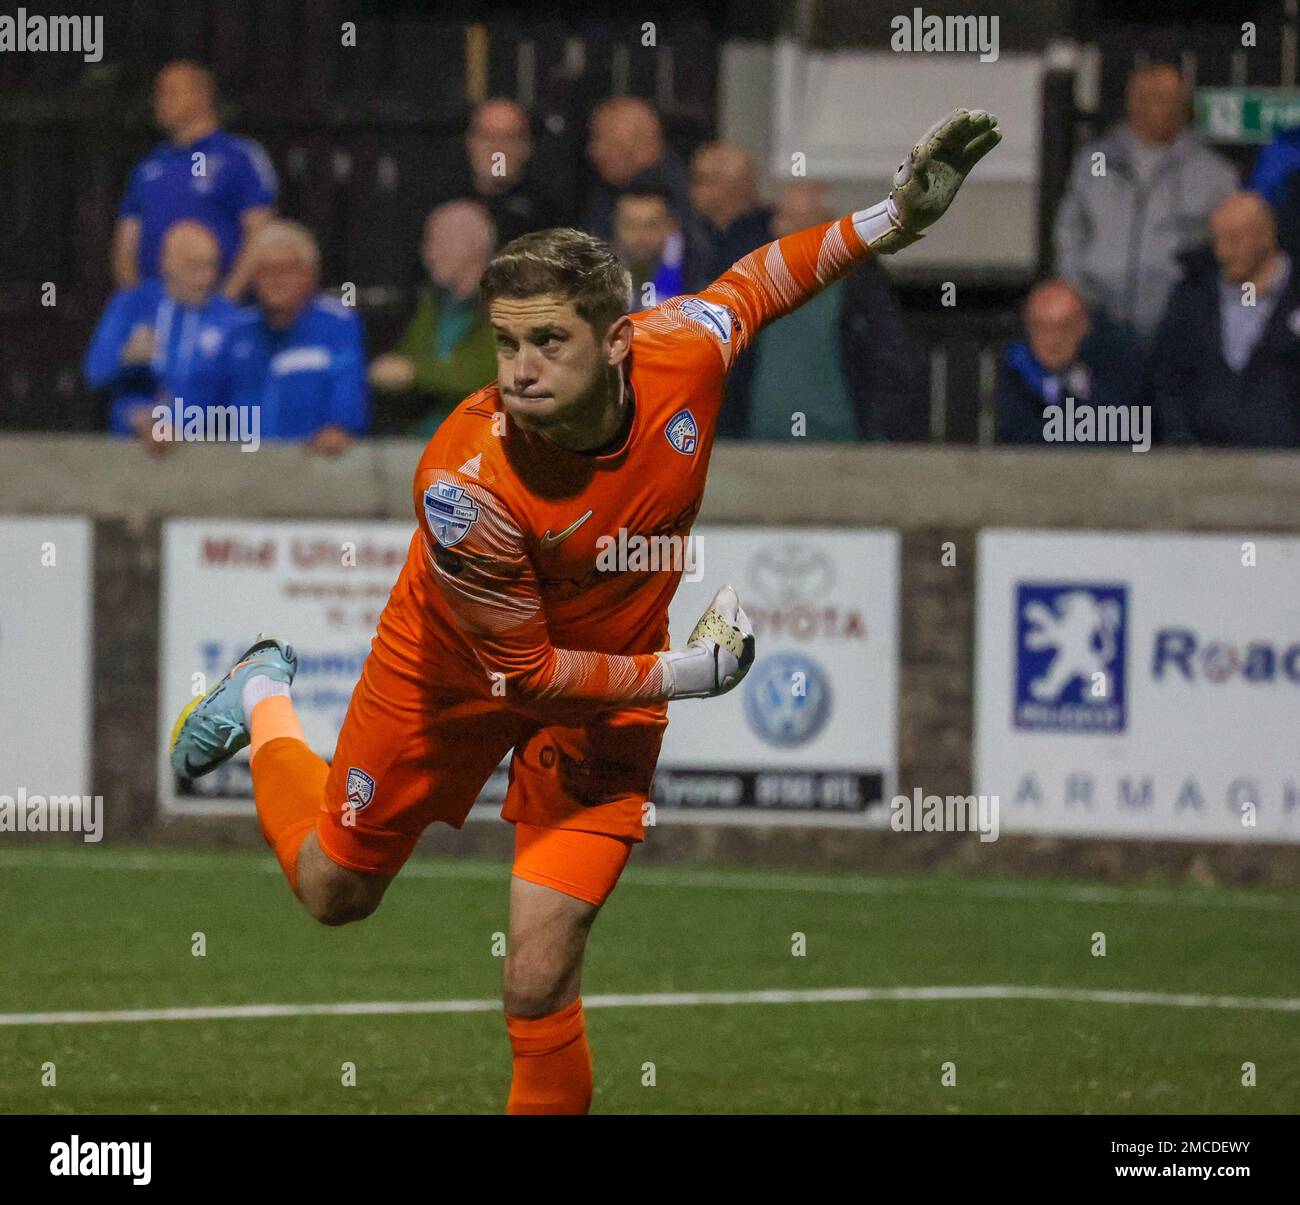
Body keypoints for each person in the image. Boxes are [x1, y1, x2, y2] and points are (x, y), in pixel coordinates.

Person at [168, 110, 1000, 1114]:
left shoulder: (680, 350)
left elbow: (762, 281)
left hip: (607, 696)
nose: (517, 369)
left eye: (547, 341)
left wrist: (890, 220)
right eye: (506, 341)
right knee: (333, 892)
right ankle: (264, 695)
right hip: (450, 673)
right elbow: (526, 675)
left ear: (615, 340)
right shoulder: (465, 482)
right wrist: (692, 674)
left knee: (536, 973)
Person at [721, 181, 928, 441]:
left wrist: (882, 439)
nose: (775, 228)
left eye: (789, 219)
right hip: (757, 444)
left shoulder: (860, 287)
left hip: (839, 446)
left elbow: (895, 365)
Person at [1053, 64, 1237, 341]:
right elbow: (1069, 231)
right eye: (1146, 97)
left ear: (1184, 106)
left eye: (1166, 99)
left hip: (1178, 330)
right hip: (1097, 322)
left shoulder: (1216, 175)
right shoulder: (1093, 162)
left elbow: (1228, 249)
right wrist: (1079, 292)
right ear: (1130, 102)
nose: (1156, 107)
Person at [112, 61, 278, 299]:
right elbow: (125, 245)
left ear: (202, 96)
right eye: (158, 93)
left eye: (171, 91)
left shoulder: (241, 156)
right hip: (156, 316)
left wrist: (225, 303)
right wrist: (136, 303)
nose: (160, 101)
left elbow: (260, 234)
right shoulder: (149, 165)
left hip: (221, 312)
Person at [1150, 191, 1300, 447]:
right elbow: (1167, 376)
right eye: (1217, 240)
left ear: (1266, 236)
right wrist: (1179, 438)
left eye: (1234, 240)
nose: (1222, 252)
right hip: (1204, 461)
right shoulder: (1192, 295)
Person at [216, 220, 370, 453]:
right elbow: (204, 393)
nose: (275, 280)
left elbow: (348, 388)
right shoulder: (236, 330)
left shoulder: (337, 323)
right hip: (242, 469)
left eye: (286, 269)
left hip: (313, 466)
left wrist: (340, 426)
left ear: (309, 275)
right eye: (265, 271)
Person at [84, 220, 240, 449]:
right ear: (167, 262)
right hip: (134, 449)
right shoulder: (132, 304)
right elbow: (95, 372)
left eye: (212, 266)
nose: (205, 278)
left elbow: (243, 392)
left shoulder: (229, 317)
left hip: (206, 450)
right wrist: (126, 359)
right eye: (194, 267)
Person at [368, 201, 499, 438]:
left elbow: (491, 375)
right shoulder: (430, 305)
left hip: (482, 446)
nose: (428, 253)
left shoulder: (508, 304)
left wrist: (414, 373)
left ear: (475, 245)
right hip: (419, 445)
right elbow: (405, 358)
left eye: (438, 241)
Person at [997, 279, 1144, 445]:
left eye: (1064, 327)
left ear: (1084, 327)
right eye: (1041, 326)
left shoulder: (1117, 378)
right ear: (1027, 326)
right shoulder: (1006, 377)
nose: (1052, 340)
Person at [581, 97, 691, 240]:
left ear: (644, 145)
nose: (595, 151)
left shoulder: (681, 201)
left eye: (607, 142)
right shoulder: (607, 192)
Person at [683, 143, 773, 292]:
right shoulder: (693, 233)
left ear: (729, 187)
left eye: (700, 180)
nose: (692, 189)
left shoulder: (770, 235)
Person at [611, 184, 685, 306]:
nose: (640, 237)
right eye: (630, 226)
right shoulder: (596, 276)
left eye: (651, 225)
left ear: (672, 226)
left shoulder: (694, 271)